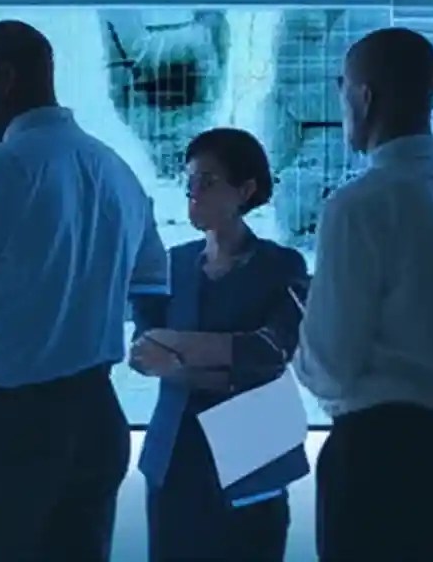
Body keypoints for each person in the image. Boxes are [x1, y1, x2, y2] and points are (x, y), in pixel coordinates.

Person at [0, 20, 170, 561]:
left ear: (4, 80)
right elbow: (150, 283)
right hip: (97, 421)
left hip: (6, 427)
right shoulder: (118, 173)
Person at [293, 27, 433, 561]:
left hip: (379, 455)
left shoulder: (357, 206)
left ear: (364, 97)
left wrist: (302, 343)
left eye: (342, 90)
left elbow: (330, 366)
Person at [129, 127, 308, 562]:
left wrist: (179, 355)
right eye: (190, 181)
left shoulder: (281, 265)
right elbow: (143, 349)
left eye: (207, 181)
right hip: (175, 453)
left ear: (245, 190)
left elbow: (271, 352)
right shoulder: (173, 264)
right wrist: (226, 369)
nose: (194, 192)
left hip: (253, 453)